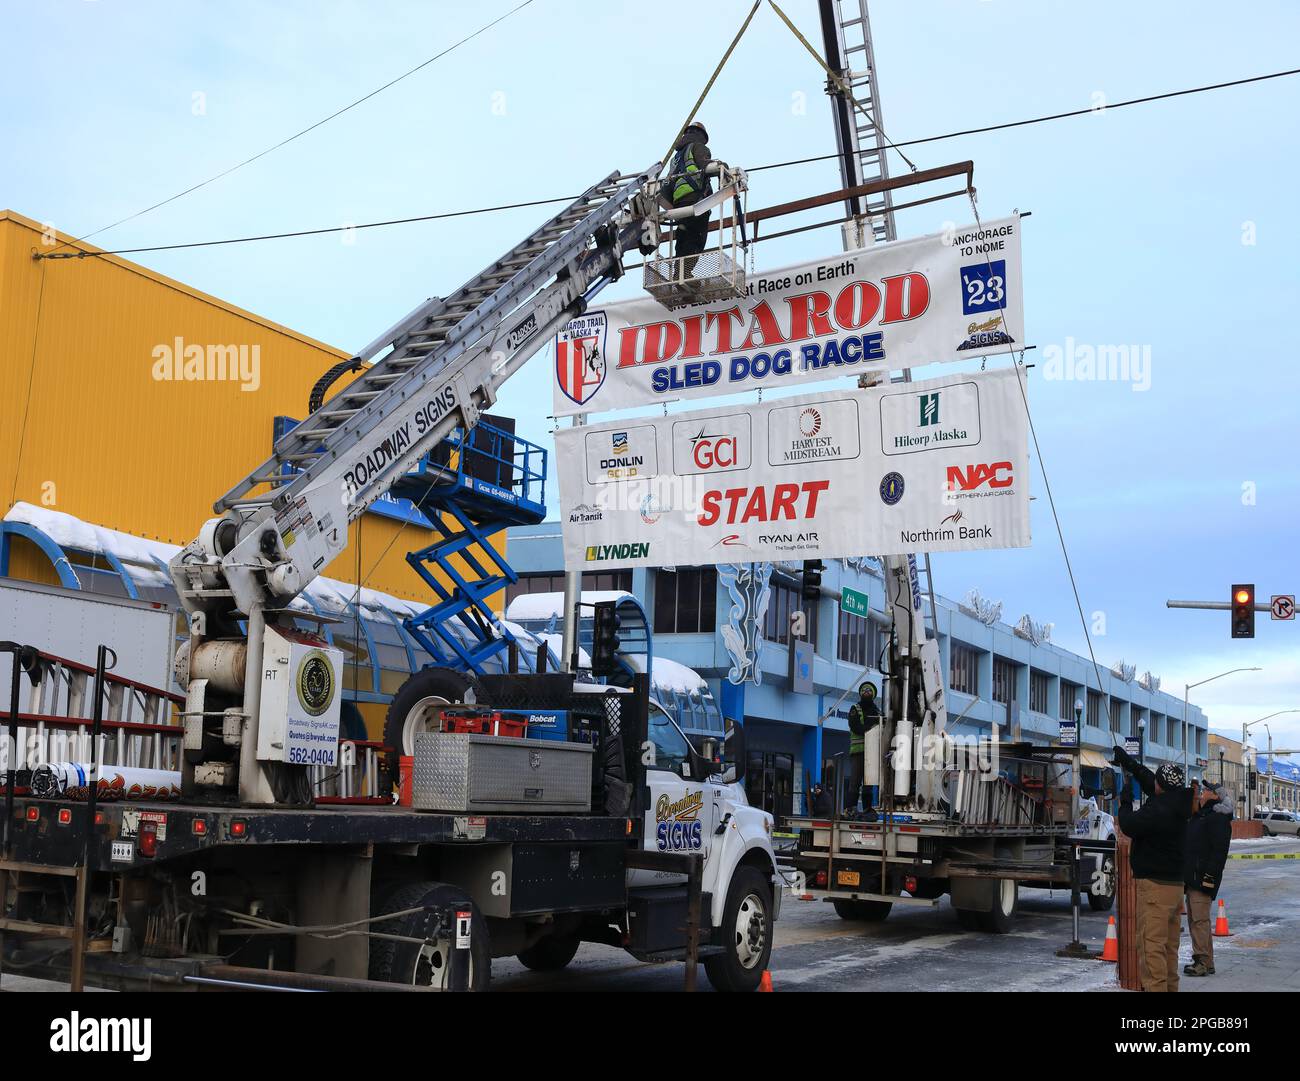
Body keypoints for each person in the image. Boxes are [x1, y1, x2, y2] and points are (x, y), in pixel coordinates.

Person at [1115, 757, 1192, 992]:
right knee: (1168, 949)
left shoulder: (1158, 810)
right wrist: (1132, 765)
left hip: (1155, 889)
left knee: (1151, 951)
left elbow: (1129, 825)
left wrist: (1125, 803)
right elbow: (1154, 783)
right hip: (1175, 887)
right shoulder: (1179, 802)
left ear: (1161, 787)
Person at [1184, 782, 1234, 977]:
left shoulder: (1217, 819)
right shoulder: (1203, 815)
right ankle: (1206, 961)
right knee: (1196, 921)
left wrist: (1209, 877)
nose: (1202, 794)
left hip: (1202, 878)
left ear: (1215, 795)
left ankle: (1203, 962)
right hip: (1194, 877)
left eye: (1205, 791)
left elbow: (1219, 852)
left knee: (1199, 921)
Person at [665, 122, 714, 274]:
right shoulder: (698, 147)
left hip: (678, 203)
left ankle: (678, 274)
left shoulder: (676, 158)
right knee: (696, 237)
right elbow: (705, 165)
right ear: (701, 136)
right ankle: (685, 273)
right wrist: (722, 167)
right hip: (695, 199)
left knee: (683, 237)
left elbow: (667, 183)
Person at [844, 681, 881, 817]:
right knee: (855, 781)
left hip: (871, 752)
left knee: (868, 783)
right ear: (860, 693)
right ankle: (850, 809)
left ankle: (867, 809)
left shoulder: (877, 711)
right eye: (864, 691)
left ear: (873, 694)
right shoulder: (855, 708)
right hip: (858, 752)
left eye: (869, 691)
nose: (866, 692)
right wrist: (869, 728)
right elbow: (855, 727)